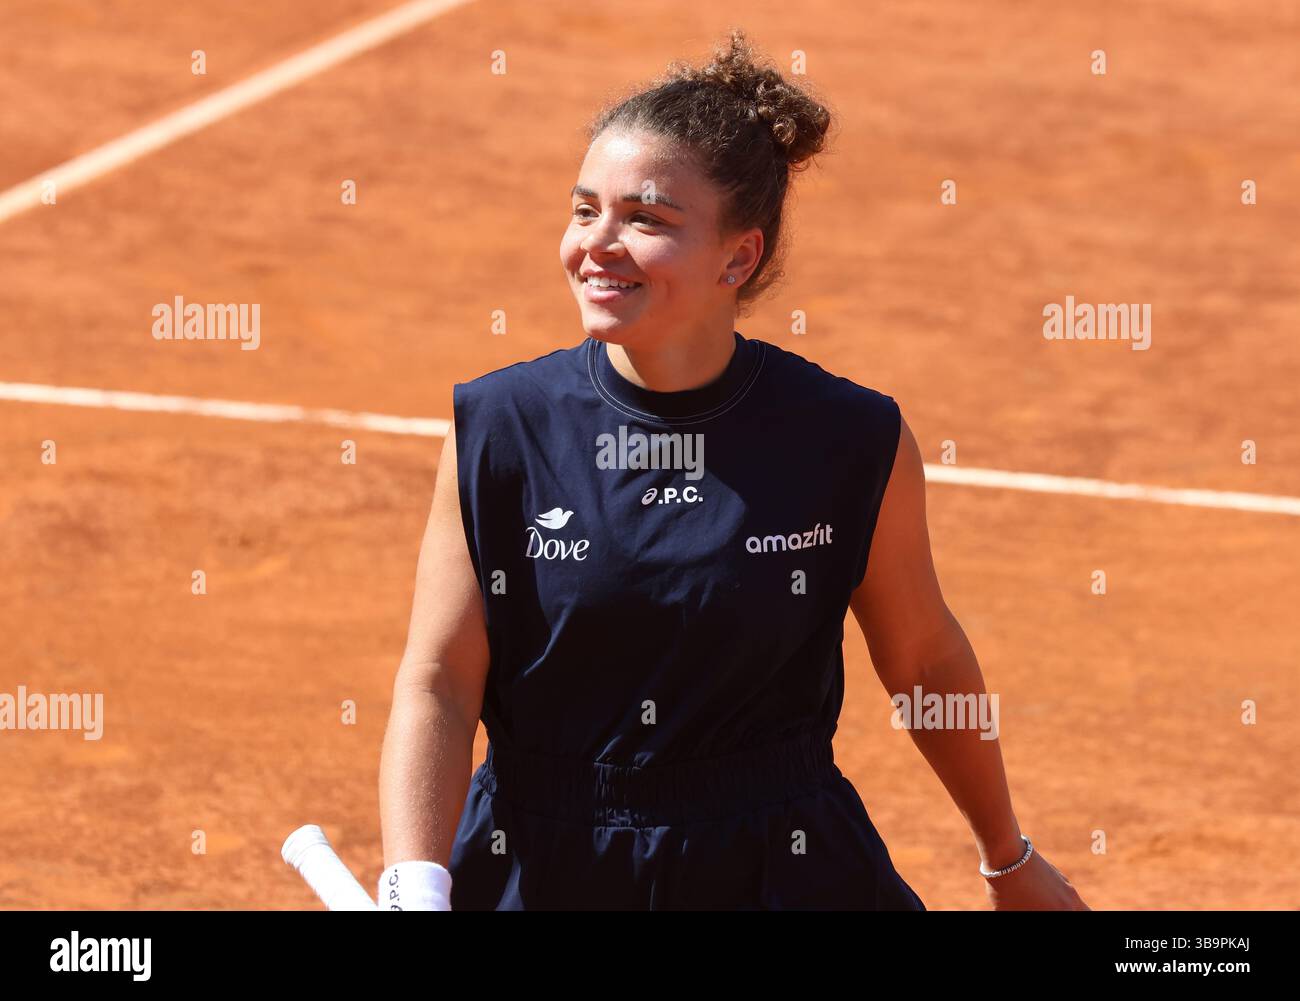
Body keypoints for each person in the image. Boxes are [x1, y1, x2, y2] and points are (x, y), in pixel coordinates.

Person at [377, 28, 1089, 911]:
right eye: (584, 209)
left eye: (646, 220)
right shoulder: (498, 426)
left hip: (777, 864)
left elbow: (924, 658)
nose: (598, 243)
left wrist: (1007, 856)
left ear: (738, 256)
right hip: (544, 860)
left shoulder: (849, 436)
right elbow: (440, 677)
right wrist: (414, 881)